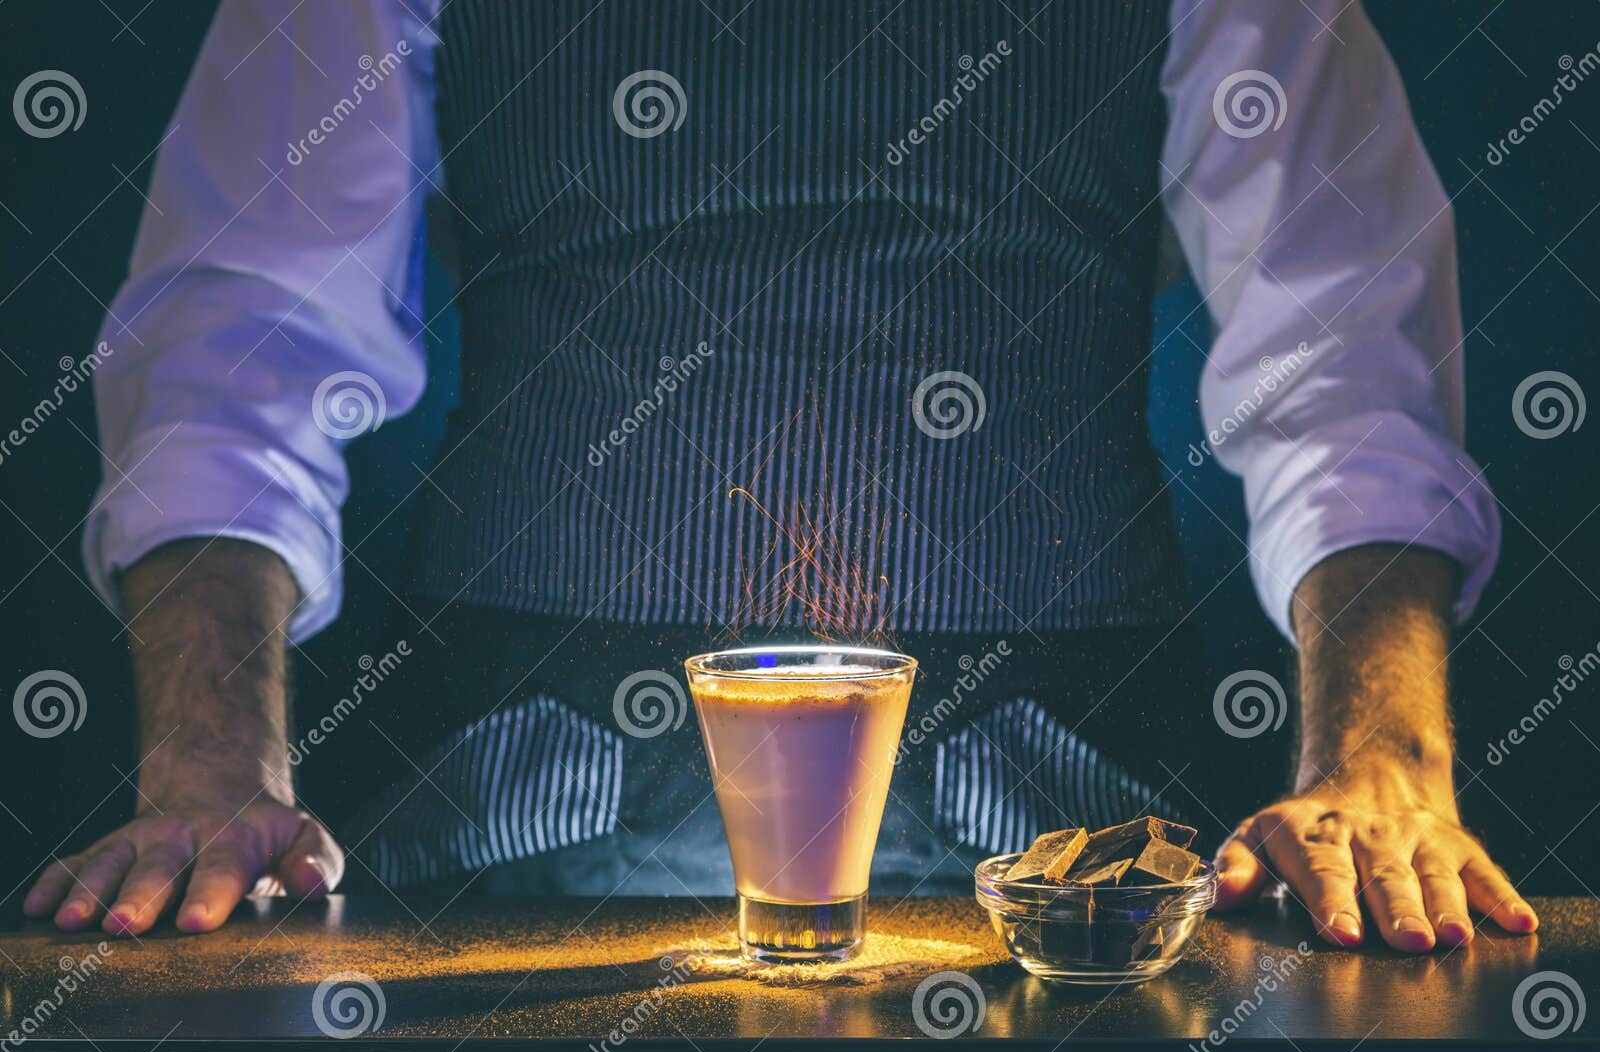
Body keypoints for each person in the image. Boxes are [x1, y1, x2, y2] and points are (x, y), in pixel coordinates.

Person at [24, 0, 1537, 954]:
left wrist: (1380, 759)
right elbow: (240, 350)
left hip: (1070, 851)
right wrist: (215, 770)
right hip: (503, 839)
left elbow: (1345, 371)